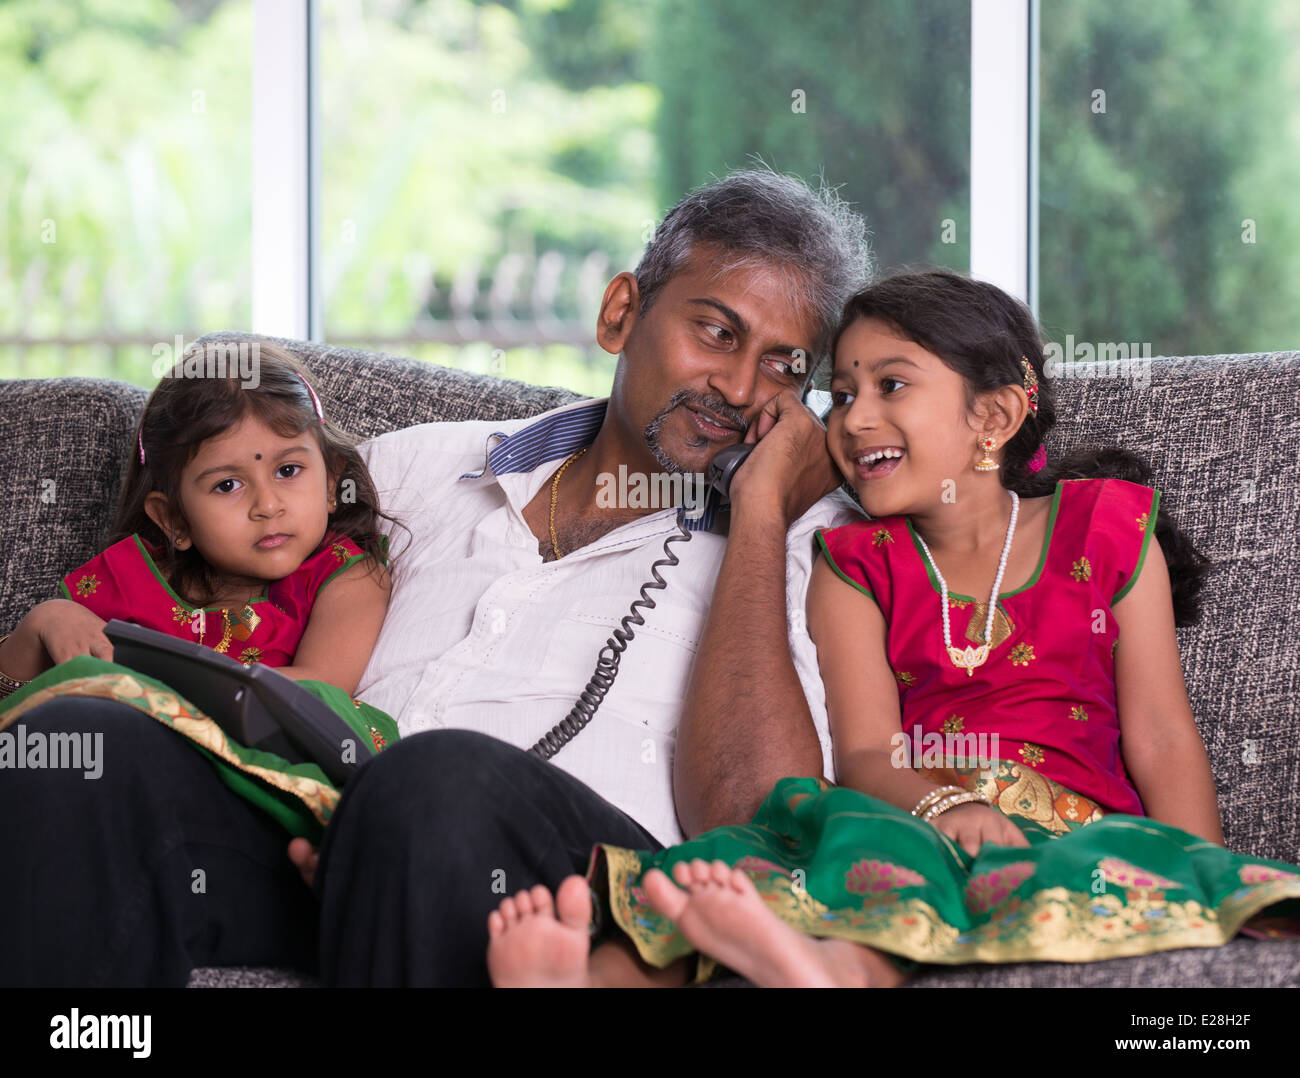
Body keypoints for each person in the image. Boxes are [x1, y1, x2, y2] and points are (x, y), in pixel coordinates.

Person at [0, 166, 872, 986]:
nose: (736, 383)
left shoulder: (808, 551)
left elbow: (753, 822)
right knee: (85, 743)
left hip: (573, 895)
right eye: (716, 332)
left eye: (782, 368)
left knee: (432, 779)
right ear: (620, 314)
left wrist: (757, 515)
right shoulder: (415, 469)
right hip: (329, 842)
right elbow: (226, 618)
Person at [485, 270, 1300, 988]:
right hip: (922, 811)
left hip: (1082, 836)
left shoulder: (1108, 529)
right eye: (841, 395)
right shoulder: (854, 563)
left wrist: (1203, 879)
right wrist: (943, 803)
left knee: (896, 863)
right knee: (815, 842)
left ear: (996, 415)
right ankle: (597, 976)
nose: (854, 419)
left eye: (891, 387)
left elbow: (1161, 736)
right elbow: (867, 752)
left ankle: (834, 971)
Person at [0, 343, 399, 839]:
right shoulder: (124, 582)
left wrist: (147, 695)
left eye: (288, 471)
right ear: (173, 520)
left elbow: (319, 691)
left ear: (331, 480)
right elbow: (15, 702)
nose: (268, 504)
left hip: (236, 802)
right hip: (102, 800)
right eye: (228, 485)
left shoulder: (344, 575)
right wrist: (44, 622)